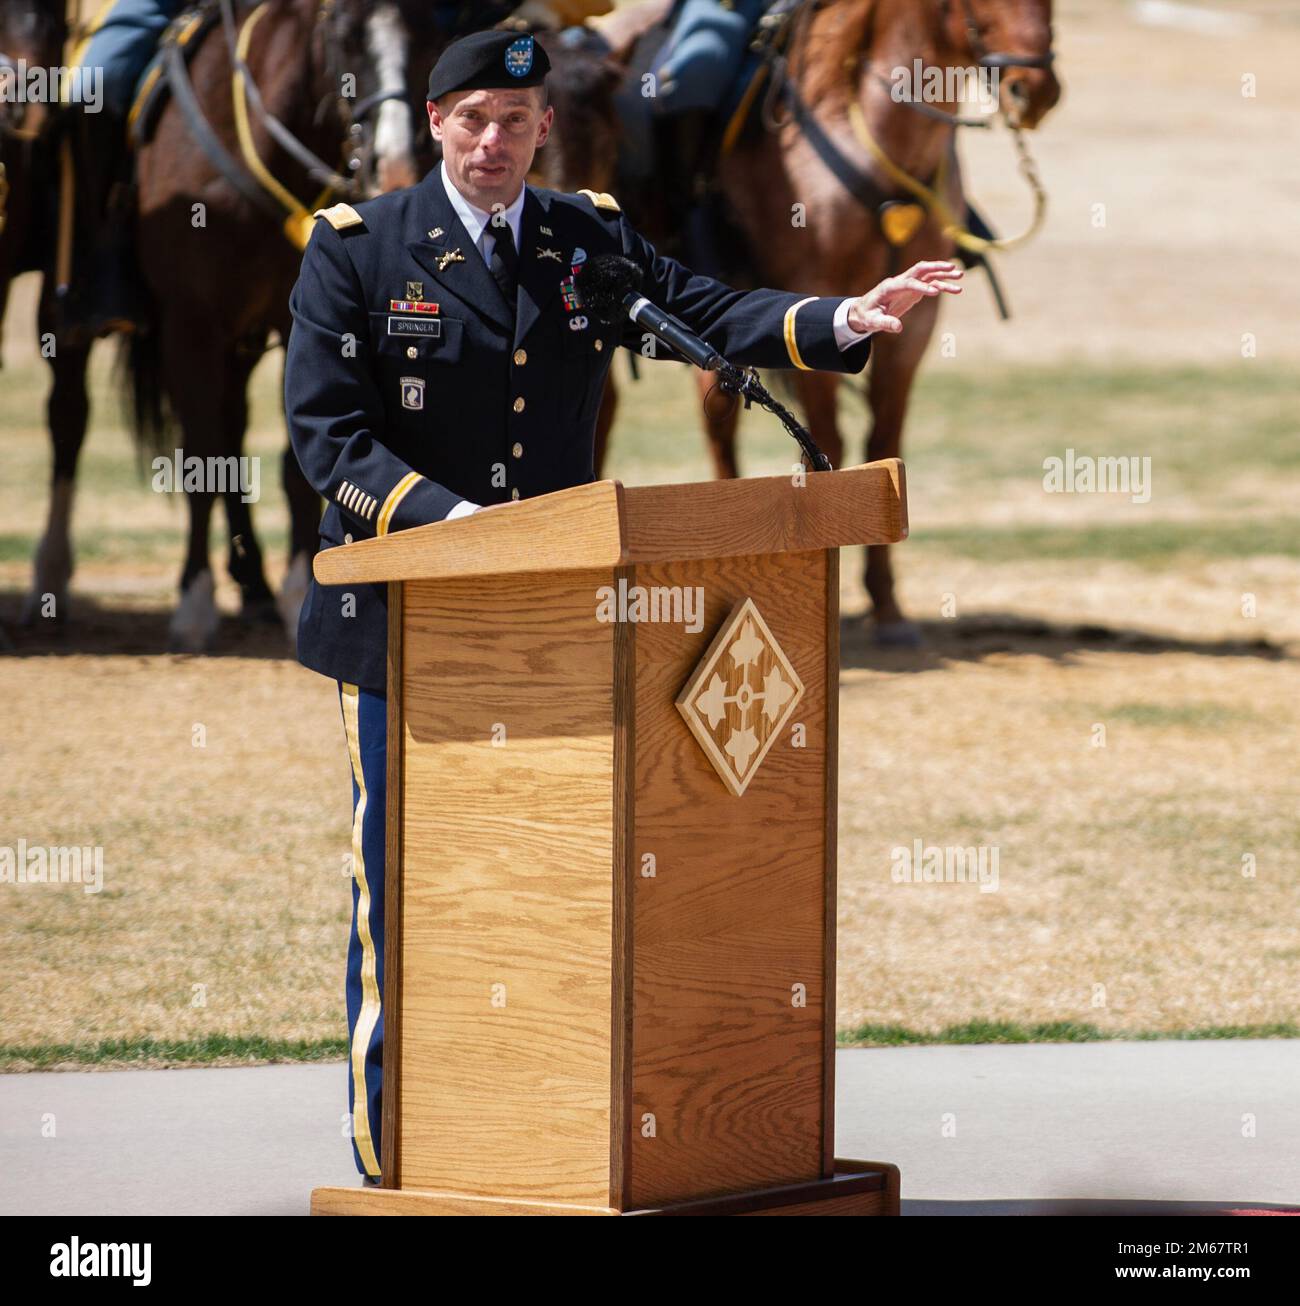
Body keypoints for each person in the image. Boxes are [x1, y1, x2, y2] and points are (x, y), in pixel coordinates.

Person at [283, 27, 961, 1183]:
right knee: (405, 895)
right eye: (472, 120)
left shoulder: (583, 237)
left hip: (555, 636)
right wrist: (455, 530)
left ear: (546, 127)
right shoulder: (358, 248)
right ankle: (393, 1157)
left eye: (516, 120)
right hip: (405, 627)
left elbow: (704, 309)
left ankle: (535, 1137)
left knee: (550, 894)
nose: (494, 142)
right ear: (436, 122)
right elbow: (325, 435)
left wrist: (841, 319)